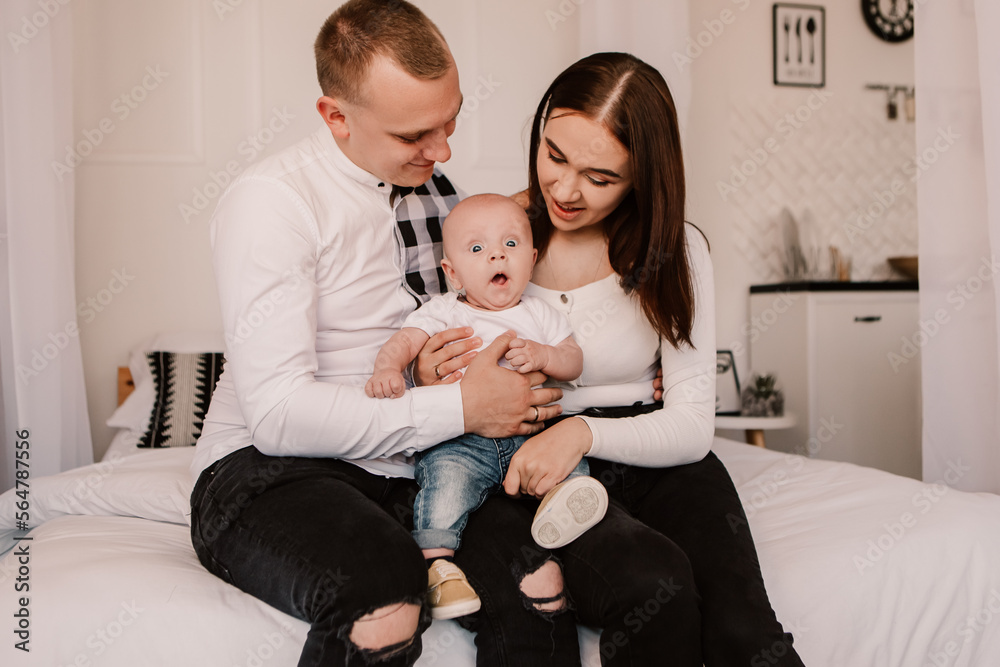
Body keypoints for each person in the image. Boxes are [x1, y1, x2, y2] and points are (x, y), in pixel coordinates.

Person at [187, 2, 584, 666]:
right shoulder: (272, 203)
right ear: (335, 117)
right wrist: (460, 404)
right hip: (270, 470)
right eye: (414, 135)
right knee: (383, 599)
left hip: (419, 462)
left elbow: (471, 313)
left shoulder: (440, 192)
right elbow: (280, 416)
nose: (443, 151)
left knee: (540, 585)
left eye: (450, 122)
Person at [416, 52, 807, 666]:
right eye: (555, 155)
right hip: (540, 460)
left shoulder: (675, 250)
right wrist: (427, 370)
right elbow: (435, 341)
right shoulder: (494, 231)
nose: (566, 191)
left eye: (600, 178)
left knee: (746, 633)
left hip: (653, 453)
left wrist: (581, 430)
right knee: (657, 586)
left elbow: (690, 428)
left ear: (643, 176)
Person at [365, 193, 608, 620]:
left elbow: (574, 361)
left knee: (568, 465)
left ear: (531, 259)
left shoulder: (540, 314)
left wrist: (544, 356)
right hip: (461, 442)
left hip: (532, 437)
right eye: (477, 249)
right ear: (452, 272)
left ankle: (562, 507)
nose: (497, 253)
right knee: (444, 483)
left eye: (511, 245)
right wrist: (388, 366)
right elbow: (405, 342)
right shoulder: (442, 311)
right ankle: (438, 566)